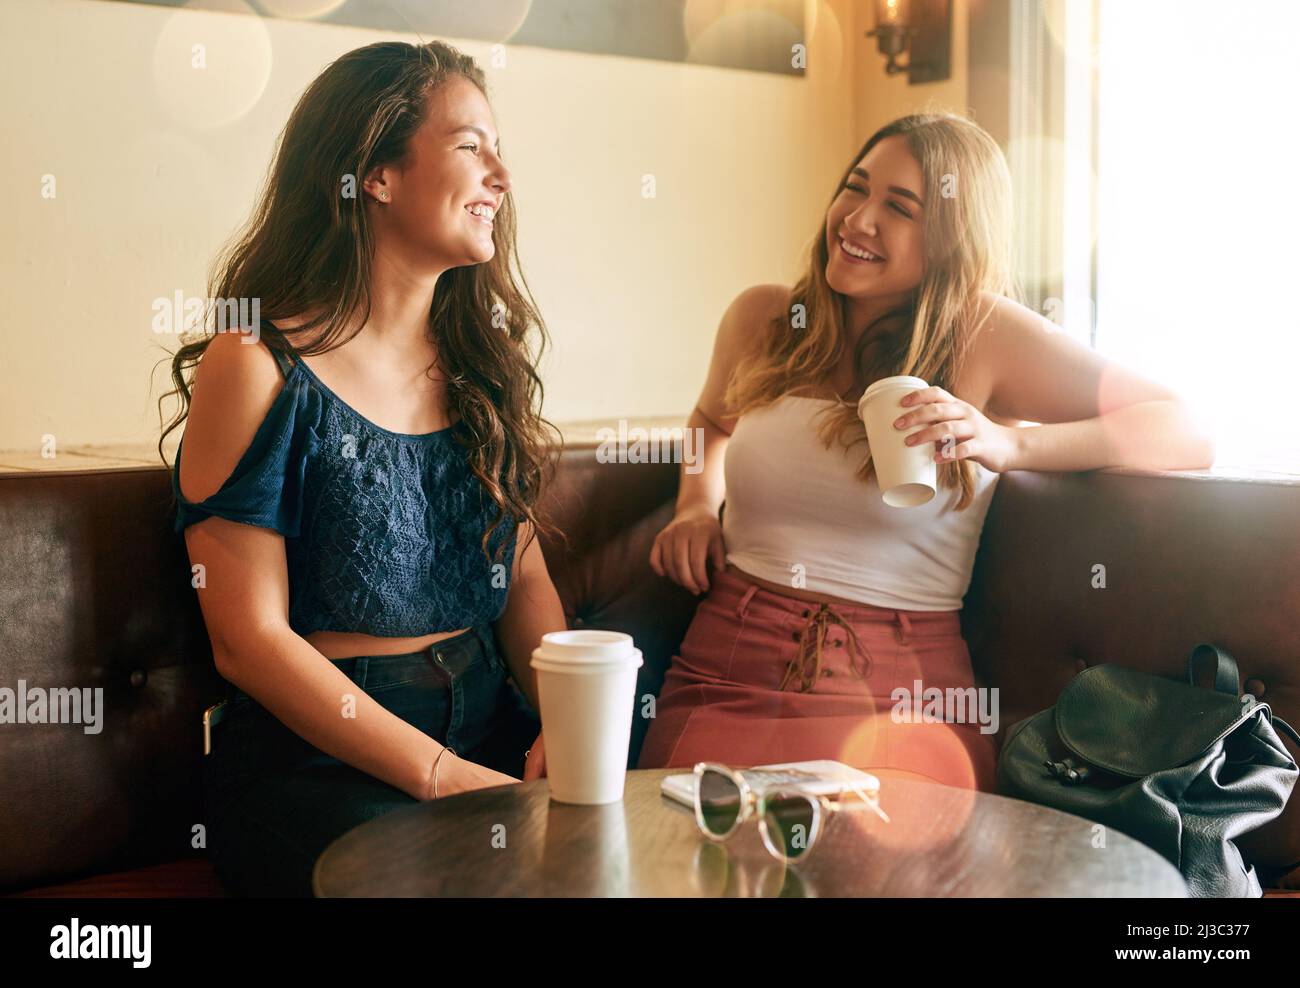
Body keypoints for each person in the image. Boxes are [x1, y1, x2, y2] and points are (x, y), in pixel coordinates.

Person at [640, 113, 1214, 792]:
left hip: (898, 693)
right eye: (855, 189)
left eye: (900, 208)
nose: (857, 219)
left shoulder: (984, 333)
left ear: (950, 238)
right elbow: (711, 419)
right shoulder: (763, 319)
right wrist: (695, 507)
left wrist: (1009, 442)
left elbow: (1183, 428)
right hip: (725, 667)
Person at [160, 40, 566, 896]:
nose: (501, 174)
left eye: (499, 149)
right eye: (470, 146)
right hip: (318, 761)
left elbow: (523, 580)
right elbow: (248, 643)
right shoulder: (257, 364)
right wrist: (444, 778)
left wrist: (567, 723)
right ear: (374, 173)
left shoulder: (482, 365)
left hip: (489, 722)